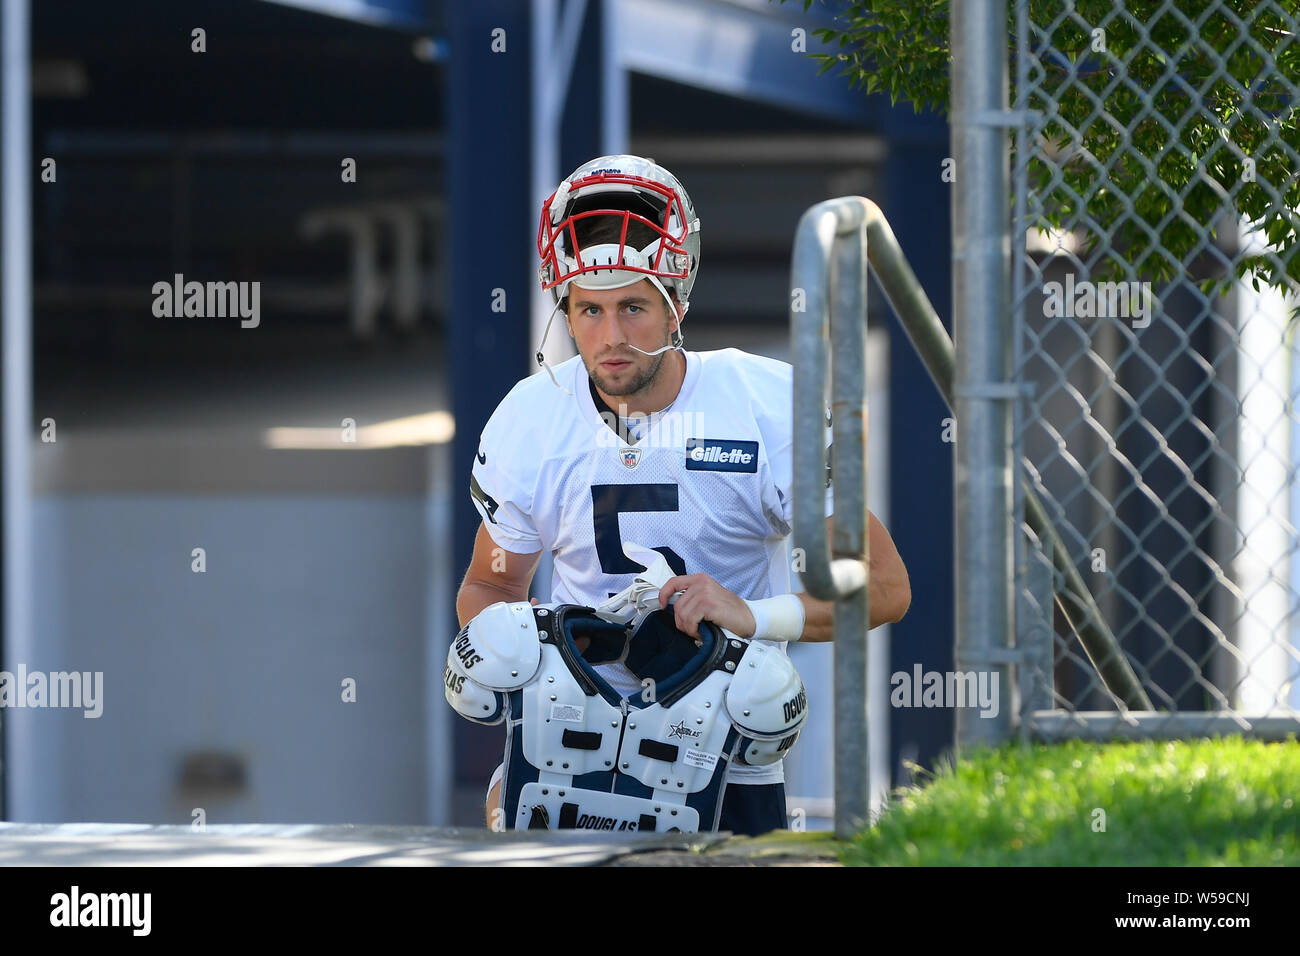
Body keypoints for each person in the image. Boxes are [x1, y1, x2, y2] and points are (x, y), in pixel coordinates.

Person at [456, 154, 910, 836]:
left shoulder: (766, 405)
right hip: (570, 738)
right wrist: (519, 652)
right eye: (589, 310)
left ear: (677, 308)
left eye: (633, 307)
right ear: (566, 311)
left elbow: (883, 588)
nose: (611, 337)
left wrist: (750, 616)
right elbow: (491, 588)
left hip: (720, 740)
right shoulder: (531, 415)